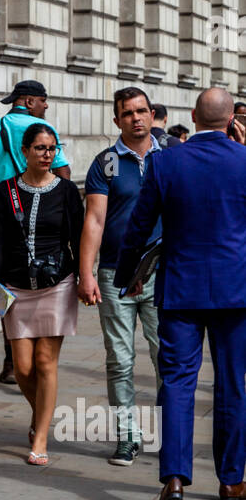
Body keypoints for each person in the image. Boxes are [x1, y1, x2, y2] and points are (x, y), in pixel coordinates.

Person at [115, 87, 246, 500]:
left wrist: (125, 275)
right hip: (235, 291)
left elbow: (139, 225)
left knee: (177, 384)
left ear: (193, 116)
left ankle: (173, 478)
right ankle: (231, 479)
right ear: (231, 119)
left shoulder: (165, 161)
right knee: (232, 385)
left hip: (181, 290)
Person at [0, 123, 84, 465]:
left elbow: (79, 237)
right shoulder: (4, 191)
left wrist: (85, 278)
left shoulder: (68, 191)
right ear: (24, 151)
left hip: (58, 284)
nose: (47, 154)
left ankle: (40, 438)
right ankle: (41, 411)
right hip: (15, 286)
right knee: (23, 368)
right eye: (40, 148)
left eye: (52, 148)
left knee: (45, 361)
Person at [0, 80, 71, 385]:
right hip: (40, 217)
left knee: (5, 283)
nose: (46, 105)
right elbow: (63, 174)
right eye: (43, 99)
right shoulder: (42, 129)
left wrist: (0, 187)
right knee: (42, 281)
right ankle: (38, 350)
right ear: (28, 101)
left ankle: (11, 359)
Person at [79, 88, 162, 465]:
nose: (136, 118)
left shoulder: (171, 156)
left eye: (141, 111)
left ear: (152, 113)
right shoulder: (106, 163)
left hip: (164, 273)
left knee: (167, 356)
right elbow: (95, 220)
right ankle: (127, 436)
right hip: (115, 274)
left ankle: (168, 432)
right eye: (127, 113)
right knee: (120, 359)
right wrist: (86, 273)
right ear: (117, 121)